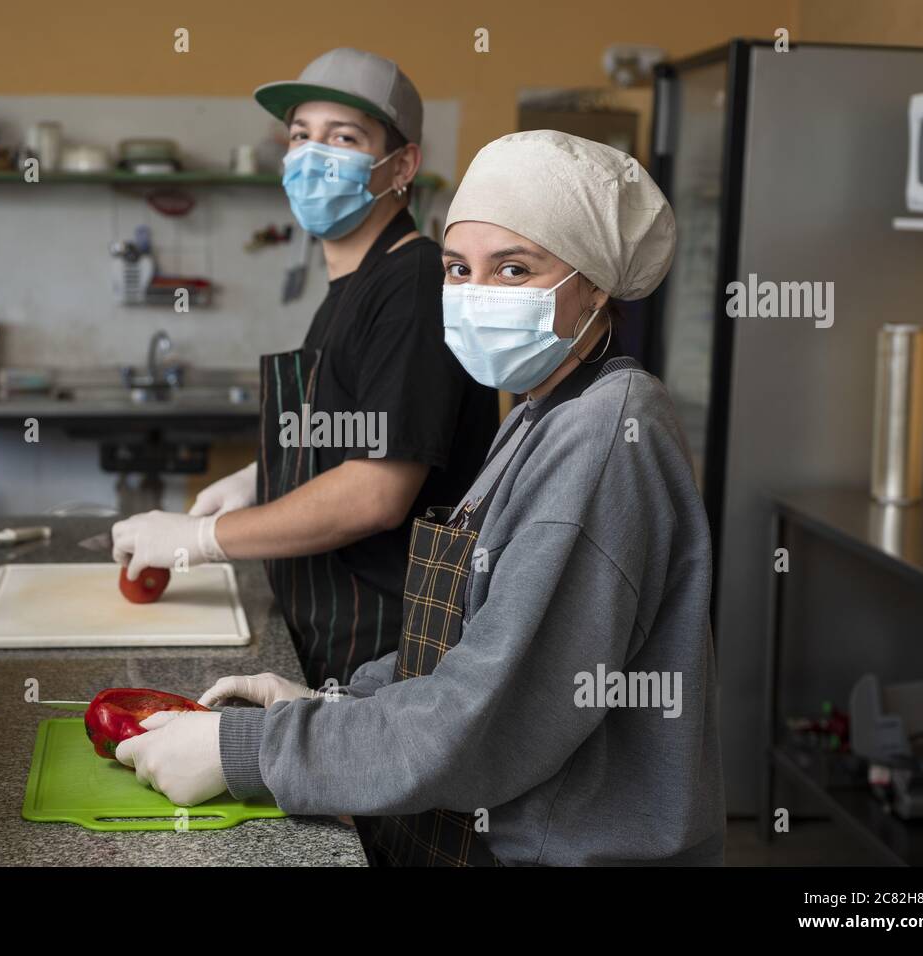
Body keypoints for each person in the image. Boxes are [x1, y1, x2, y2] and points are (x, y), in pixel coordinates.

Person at [115, 130, 725, 866]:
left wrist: (251, 752)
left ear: (594, 284)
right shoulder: (543, 410)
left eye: (515, 269)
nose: (476, 295)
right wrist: (334, 704)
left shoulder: (607, 438)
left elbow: (483, 719)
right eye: (459, 269)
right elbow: (468, 642)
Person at [109, 49, 497, 687]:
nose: (313, 155)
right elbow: (355, 429)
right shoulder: (354, 285)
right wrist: (262, 476)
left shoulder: (414, 281)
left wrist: (206, 537)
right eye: (300, 136)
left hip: (391, 648)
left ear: (401, 165)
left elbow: (376, 493)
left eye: (343, 138)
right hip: (333, 630)